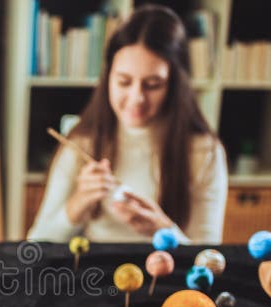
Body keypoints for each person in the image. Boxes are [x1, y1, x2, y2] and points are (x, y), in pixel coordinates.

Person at [28, 5, 228, 244]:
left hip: (169, 278)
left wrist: (163, 230)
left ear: (175, 86)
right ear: (107, 78)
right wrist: (78, 203)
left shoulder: (204, 152)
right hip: (95, 278)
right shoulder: (82, 142)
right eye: (124, 82)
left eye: (152, 85)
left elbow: (209, 261)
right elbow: (36, 244)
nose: (137, 99)